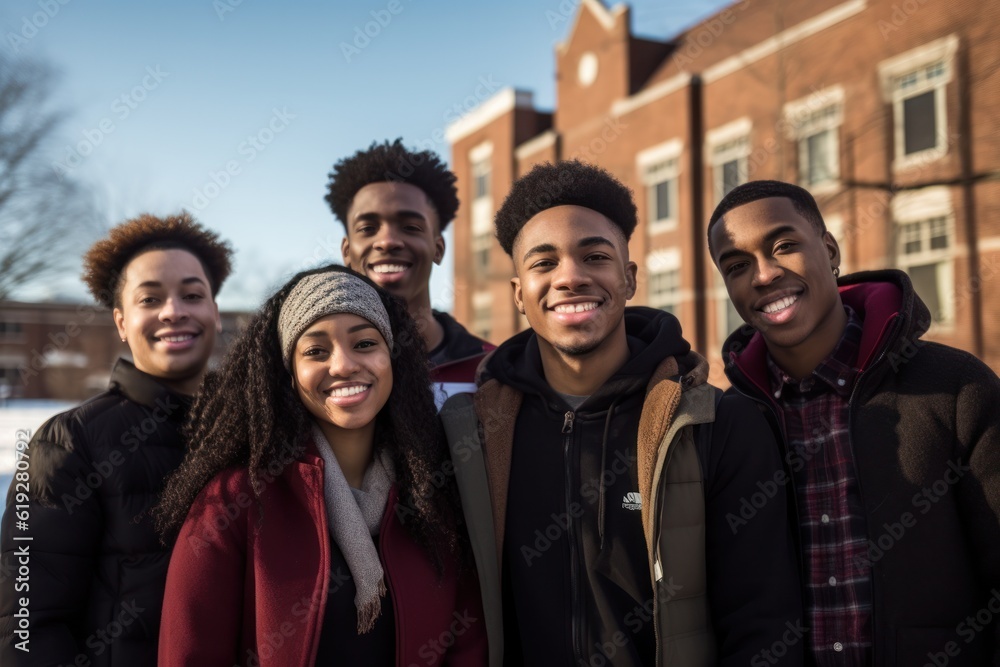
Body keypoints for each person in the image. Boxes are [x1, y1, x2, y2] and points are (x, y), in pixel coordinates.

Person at [440, 161, 803, 666]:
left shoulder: (717, 426)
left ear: (629, 278)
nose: (570, 277)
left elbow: (763, 624)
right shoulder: (471, 434)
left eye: (594, 256)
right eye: (544, 263)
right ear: (519, 293)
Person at [709, 180, 1000, 666]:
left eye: (783, 246)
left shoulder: (956, 387)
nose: (763, 275)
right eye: (736, 266)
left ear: (829, 249)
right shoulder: (730, 421)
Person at [156, 264, 487, 667]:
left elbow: (467, 644)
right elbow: (190, 653)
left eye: (364, 344)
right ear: (288, 374)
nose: (344, 365)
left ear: (392, 358)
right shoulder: (233, 501)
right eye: (315, 351)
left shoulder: (436, 490)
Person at [0, 212, 233, 666]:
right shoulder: (66, 442)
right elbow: (24, 624)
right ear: (122, 322)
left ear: (216, 314)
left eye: (192, 294)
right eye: (151, 298)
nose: (173, 311)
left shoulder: (254, 432)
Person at [326, 139, 493, 398]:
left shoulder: (493, 370)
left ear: (438, 248)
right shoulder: (321, 375)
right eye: (368, 229)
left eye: (410, 227)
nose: (388, 241)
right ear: (347, 252)